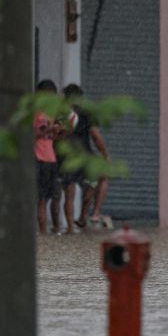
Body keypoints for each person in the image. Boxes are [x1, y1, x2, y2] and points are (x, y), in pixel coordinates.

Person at [61, 84, 113, 230]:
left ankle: (71, 228)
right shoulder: (86, 113)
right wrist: (106, 155)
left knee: (69, 194)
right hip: (85, 157)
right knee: (97, 180)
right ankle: (92, 214)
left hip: (66, 158)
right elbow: (96, 136)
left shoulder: (61, 113)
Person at [34, 79, 64, 235]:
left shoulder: (50, 114)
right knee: (41, 199)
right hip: (39, 158)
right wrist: (49, 129)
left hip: (50, 158)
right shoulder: (35, 113)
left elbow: (51, 138)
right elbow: (33, 134)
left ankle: (52, 229)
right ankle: (43, 231)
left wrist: (58, 131)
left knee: (52, 196)